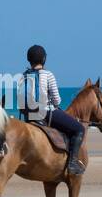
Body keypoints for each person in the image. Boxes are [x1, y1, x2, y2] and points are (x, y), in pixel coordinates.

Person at [21, 44, 86, 175]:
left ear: (29, 60)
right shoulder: (48, 75)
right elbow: (57, 100)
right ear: (44, 59)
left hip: (29, 116)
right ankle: (72, 163)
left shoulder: (24, 76)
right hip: (46, 113)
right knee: (79, 129)